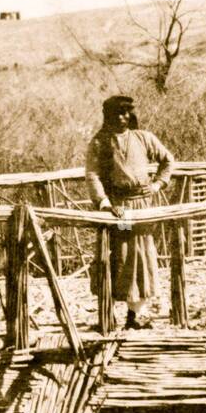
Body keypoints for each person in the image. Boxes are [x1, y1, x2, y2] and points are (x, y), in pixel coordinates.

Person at [84, 95, 175, 328]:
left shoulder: (143, 138)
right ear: (108, 116)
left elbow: (168, 161)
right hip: (119, 209)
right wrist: (103, 202)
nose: (122, 117)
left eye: (126, 113)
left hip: (142, 207)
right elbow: (93, 174)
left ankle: (136, 315)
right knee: (121, 254)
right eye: (117, 113)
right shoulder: (100, 142)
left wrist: (157, 185)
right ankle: (110, 314)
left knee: (142, 253)